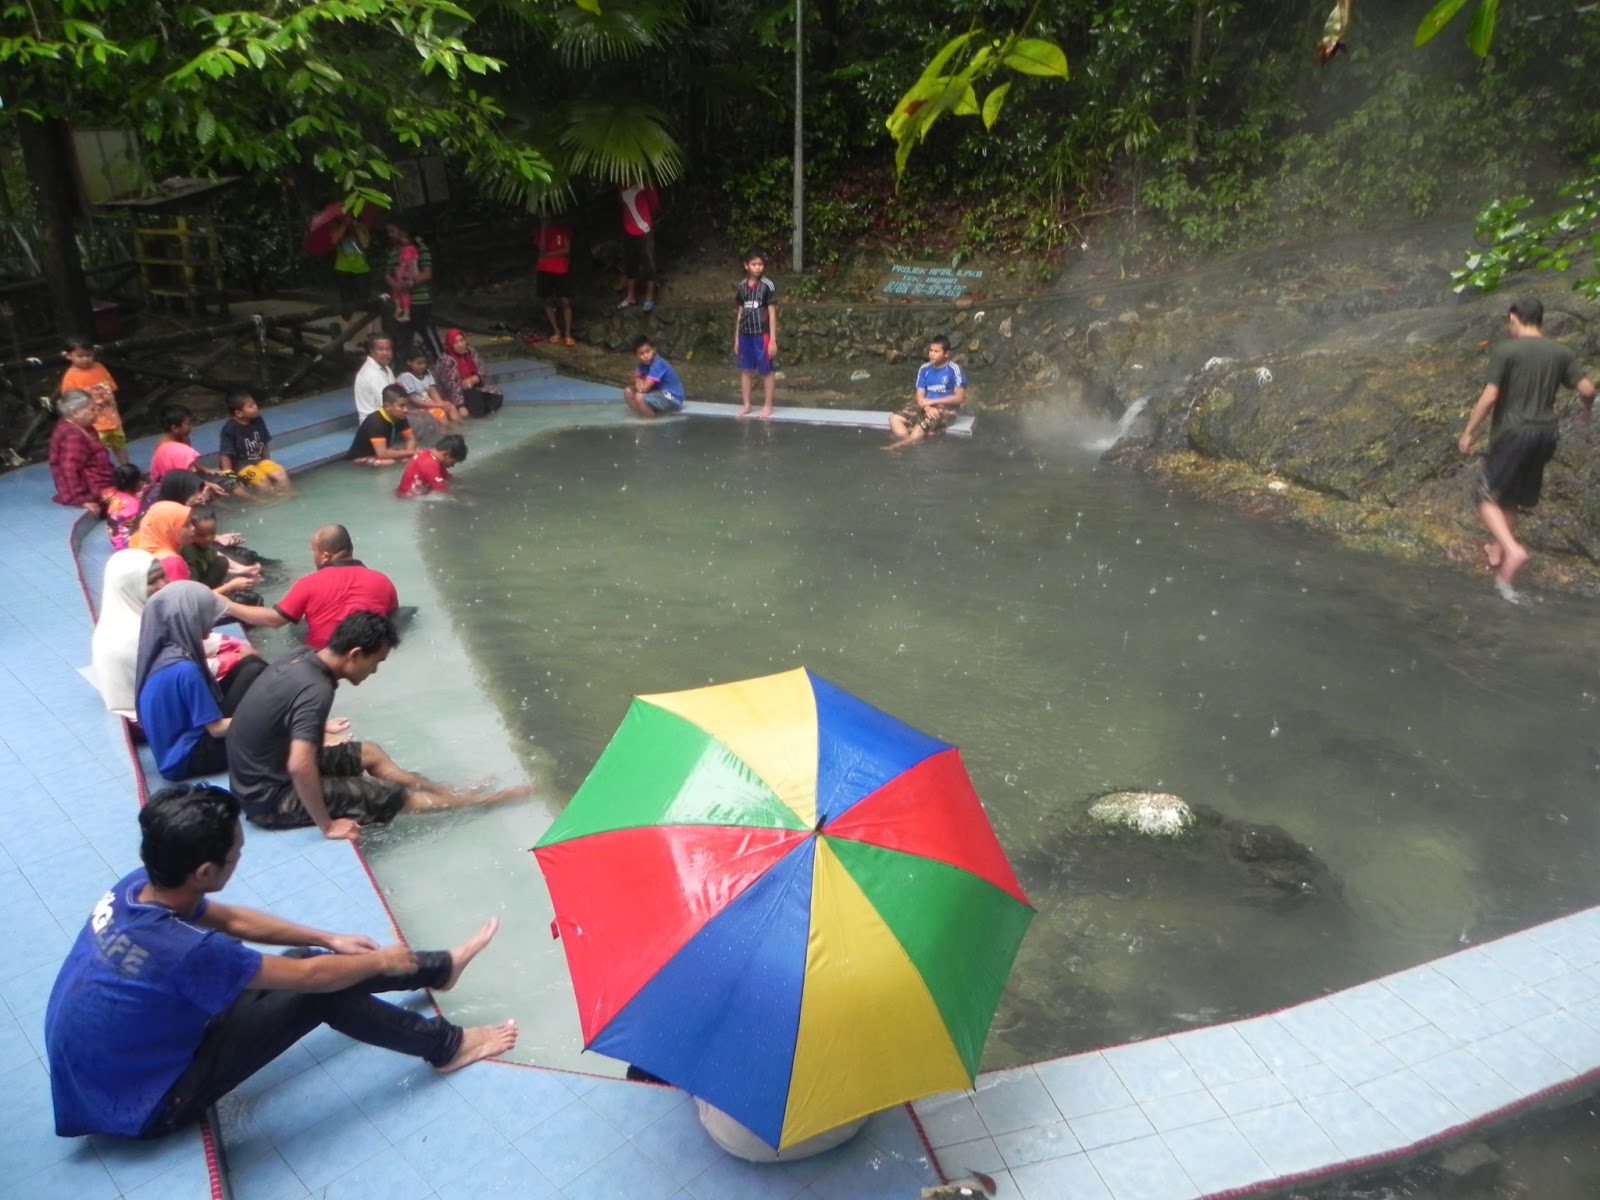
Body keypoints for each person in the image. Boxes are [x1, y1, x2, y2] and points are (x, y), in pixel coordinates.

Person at [43, 783, 518, 1138]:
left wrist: (329, 936)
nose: (241, 854)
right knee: (318, 994)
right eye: (236, 854)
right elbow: (309, 979)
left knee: (308, 958)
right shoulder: (188, 951)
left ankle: (439, 968)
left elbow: (235, 921)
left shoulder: (139, 887)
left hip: (105, 1074)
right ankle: (447, 1046)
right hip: (147, 1101)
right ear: (205, 871)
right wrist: (377, 962)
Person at [226, 612, 527, 838]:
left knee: (370, 752)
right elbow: (299, 765)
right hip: (270, 798)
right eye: (376, 662)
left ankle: (450, 792)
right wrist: (327, 825)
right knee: (387, 795)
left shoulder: (301, 658)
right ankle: (483, 801)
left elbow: (282, 716)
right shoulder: (317, 689)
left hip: (259, 774)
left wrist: (318, 732)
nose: (375, 671)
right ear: (355, 654)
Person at [1458, 297, 1599, 600]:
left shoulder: (1507, 351)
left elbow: (1490, 396)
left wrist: (1469, 432)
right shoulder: (1561, 352)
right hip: (1546, 435)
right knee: (1509, 494)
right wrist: (1586, 412)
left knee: (1483, 495)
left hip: (1514, 433)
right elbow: (1587, 389)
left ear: (1514, 317)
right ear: (1541, 320)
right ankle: (1499, 556)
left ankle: (1512, 549)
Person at [136, 583, 271, 780]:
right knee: (270, 736)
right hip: (188, 759)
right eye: (206, 618)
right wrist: (269, 718)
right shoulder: (185, 670)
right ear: (191, 621)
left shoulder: (162, 652)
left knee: (251, 666)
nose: (210, 625)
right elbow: (216, 730)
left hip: (177, 746)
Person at [248, 524, 399, 650]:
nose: (313, 556)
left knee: (296, 627)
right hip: (370, 655)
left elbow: (274, 620)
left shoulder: (308, 583)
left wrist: (228, 605)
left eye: (314, 551)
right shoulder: (382, 580)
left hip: (324, 657)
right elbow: (393, 618)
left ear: (325, 556)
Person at [93, 550, 169, 713]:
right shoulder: (133, 633)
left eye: (163, 576)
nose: (162, 585)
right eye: (152, 581)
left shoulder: (123, 616)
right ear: (129, 586)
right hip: (143, 715)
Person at [885, 334, 967, 451]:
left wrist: (932, 401)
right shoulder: (924, 369)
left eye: (936, 351)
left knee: (922, 425)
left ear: (946, 353)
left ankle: (898, 447)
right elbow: (920, 396)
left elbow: (959, 398)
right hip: (926, 406)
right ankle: (907, 444)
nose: (931, 354)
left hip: (948, 409)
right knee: (894, 418)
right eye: (930, 350)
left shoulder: (955, 369)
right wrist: (927, 407)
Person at [60, 336, 127, 465]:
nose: (85, 359)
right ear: (69, 356)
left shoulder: (100, 367)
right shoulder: (70, 377)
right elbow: (70, 404)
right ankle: (105, 473)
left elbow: (111, 389)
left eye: (89, 355)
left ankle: (126, 467)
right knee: (98, 451)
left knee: (119, 444)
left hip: (111, 417)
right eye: (80, 356)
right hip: (92, 423)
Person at [48, 389, 115, 512]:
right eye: (91, 409)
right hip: (92, 489)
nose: (96, 413)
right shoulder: (73, 436)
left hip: (99, 482)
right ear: (74, 413)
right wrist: (82, 500)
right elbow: (69, 469)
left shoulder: (81, 426)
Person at [180, 507, 263, 600]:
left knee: (222, 561)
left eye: (212, 533)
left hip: (206, 585)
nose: (208, 538)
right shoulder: (190, 553)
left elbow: (216, 556)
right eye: (201, 535)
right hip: (199, 596)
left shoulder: (203, 547)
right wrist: (231, 586)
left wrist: (242, 571)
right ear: (190, 531)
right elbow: (195, 596)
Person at [382, 223, 440, 357]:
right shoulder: (393, 252)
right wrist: (394, 284)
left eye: (394, 231)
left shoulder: (420, 249)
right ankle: (403, 371)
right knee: (402, 340)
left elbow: (427, 273)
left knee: (429, 336)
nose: (391, 235)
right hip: (401, 304)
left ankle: (445, 367)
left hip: (419, 301)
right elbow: (387, 274)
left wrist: (410, 283)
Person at [219, 390, 293, 493]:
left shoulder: (258, 420)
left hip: (258, 461)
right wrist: (229, 475)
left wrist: (267, 462)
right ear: (238, 413)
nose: (255, 407)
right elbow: (225, 454)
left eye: (255, 404)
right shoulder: (230, 429)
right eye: (250, 406)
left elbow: (264, 443)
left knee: (281, 473)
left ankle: (288, 495)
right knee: (262, 480)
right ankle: (273, 502)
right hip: (240, 467)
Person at [733, 251, 777, 419]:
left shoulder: (768, 286)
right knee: (745, 370)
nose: (758, 268)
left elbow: (772, 314)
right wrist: (737, 337)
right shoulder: (742, 286)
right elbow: (740, 312)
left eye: (760, 264)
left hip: (762, 334)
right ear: (746, 266)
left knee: (766, 370)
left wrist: (773, 340)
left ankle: (768, 405)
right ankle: (747, 404)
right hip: (745, 334)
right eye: (754, 264)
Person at [436, 329, 503, 418]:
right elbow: (452, 386)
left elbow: (482, 368)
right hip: (455, 394)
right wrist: (460, 406)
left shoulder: (470, 352)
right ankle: (476, 412)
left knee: (497, 395)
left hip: (474, 387)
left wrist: (474, 379)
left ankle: (481, 411)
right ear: (450, 345)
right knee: (476, 399)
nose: (460, 345)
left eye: (462, 340)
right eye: (455, 342)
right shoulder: (446, 360)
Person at [346, 385, 418, 466]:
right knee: (388, 462)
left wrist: (408, 456)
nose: (406, 409)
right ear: (387, 406)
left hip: (379, 452)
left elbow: (410, 439)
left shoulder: (400, 416)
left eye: (406, 405)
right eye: (401, 406)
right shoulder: (376, 422)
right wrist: (411, 452)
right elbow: (382, 454)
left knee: (415, 454)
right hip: (359, 458)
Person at [618, 182, 659, 311]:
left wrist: (646, 219)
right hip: (628, 227)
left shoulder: (645, 182)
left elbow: (654, 205)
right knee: (630, 261)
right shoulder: (621, 184)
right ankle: (630, 296)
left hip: (644, 227)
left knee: (648, 261)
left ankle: (650, 296)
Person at [132, 501, 197, 583]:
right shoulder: (173, 563)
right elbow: (181, 595)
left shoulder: (138, 547)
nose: (193, 528)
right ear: (168, 529)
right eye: (187, 525)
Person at [622, 335, 684, 419]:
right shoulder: (643, 364)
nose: (646, 355)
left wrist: (640, 381)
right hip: (659, 394)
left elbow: (643, 389)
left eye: (648, 351)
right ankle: (643, 415)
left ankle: (650, 422)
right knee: (628, 392)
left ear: (653, 350)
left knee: (640, 397)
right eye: (641, 353)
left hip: (673, 398)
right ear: (636, 356)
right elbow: (633, 379)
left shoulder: (658, 364)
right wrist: (637, 379)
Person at [536, 213, 575, 346]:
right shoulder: (540, 230)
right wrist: (543, 227)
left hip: (561, 268)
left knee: (565, 300)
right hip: (544, 269)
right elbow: (541, 248)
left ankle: (568, 333)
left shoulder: (563, 229)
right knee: (547, 300)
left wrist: (548, 254)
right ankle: (556, 331)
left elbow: (566, 249)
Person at [397, 349, 464, 427]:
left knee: (451, 407)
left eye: (424, 363)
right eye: (419, 363)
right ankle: (447, 434)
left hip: (430, 404)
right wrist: (438, 405)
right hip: (414, 408)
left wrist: (441, 403)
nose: (423, 366)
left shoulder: (427, 373)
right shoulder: (406, 377)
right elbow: (415, 400)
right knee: (441, 415)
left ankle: (462, 431)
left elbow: (433, 391)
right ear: (409, 362)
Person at [397, 434, 467, 498]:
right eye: (453, 462)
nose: (453, 466)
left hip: (409, 494)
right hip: (409, 498)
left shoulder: (430, 456)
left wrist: (467, 485)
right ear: (446, 454)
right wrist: (462, 498)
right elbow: (441, 490)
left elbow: (448, 478)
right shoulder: (430, 464)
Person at [331, 214, 372, 318]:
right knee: (346, 301)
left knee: (365, 301)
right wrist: (344, 225)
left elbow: (365, 244)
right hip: (343, 268)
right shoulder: (337, 227)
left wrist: (356, 227)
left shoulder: (361, 226)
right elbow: (334, 240)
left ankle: (370, 331)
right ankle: (348, 328)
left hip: (361, 268)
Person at [353, 334, 397, 420]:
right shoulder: (371, 373)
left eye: (388, 349)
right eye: (380, 349)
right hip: (374, 421)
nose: (385, 353)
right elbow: (388, 403)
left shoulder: (386, 367)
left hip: (388, 414)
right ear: (371, 351)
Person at [104, 463, 145, 551]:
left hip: (117, 543)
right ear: (136, 483)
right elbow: (140, 524)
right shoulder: (133, 503)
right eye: (140, 480)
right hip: (129, 545)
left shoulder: (116, 497)